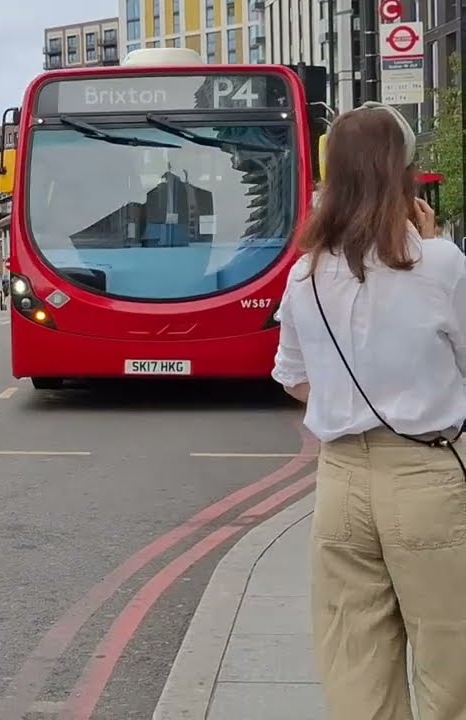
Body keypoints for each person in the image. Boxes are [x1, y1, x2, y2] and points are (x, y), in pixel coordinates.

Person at [272, 102, 466, 720]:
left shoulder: (304, 275)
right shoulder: (438, 263)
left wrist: (351, 397)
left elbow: (293, 378)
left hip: (340, 481)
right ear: (402, 172)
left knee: (354, 660)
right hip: (426, 473)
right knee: (450, 654)